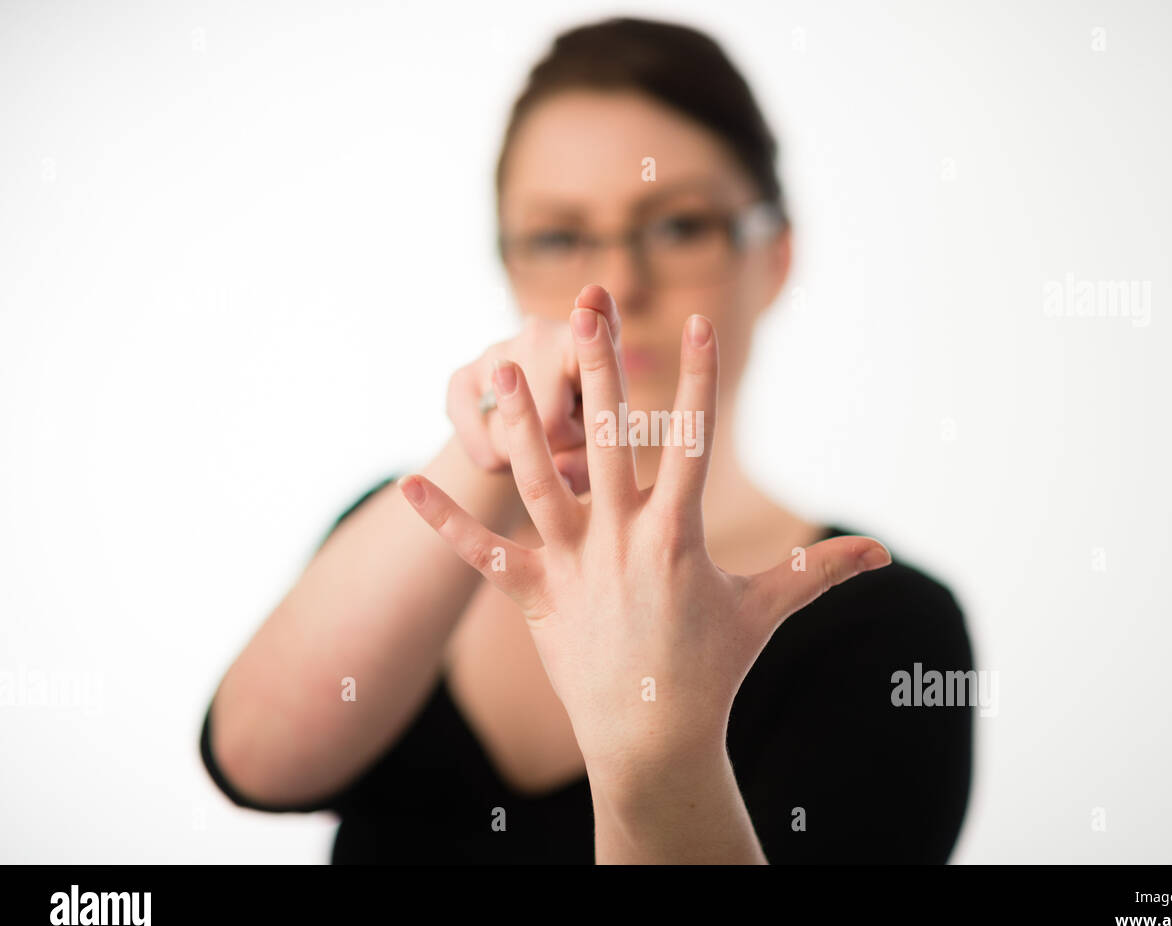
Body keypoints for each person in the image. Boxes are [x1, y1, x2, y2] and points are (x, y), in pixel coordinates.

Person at [199, 16, 975, 864]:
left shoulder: (885, 623)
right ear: (509, 264)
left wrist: (657, 742)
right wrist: (492, 447)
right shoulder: (419, 522)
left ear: (775, 257)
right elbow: (256, 764)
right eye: (559, 236)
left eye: (679, 226)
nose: (617, 286)